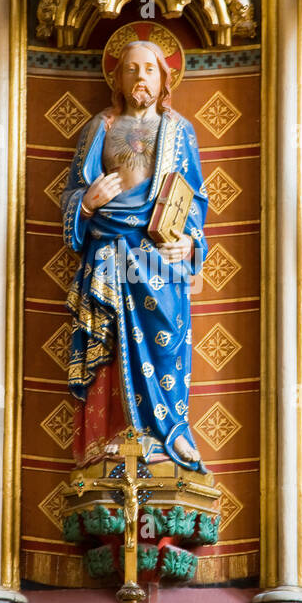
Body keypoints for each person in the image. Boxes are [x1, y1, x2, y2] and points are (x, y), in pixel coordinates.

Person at [60, 35, 209, 470]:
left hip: (157, 253)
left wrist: (191, 243)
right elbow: (71, 192)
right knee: (109, 342)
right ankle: (112, 438)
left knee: (164, 342)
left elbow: (194, 198)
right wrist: (86, 204)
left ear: (164, 78)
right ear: (118, 79)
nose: (139, 77)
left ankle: (170, 432)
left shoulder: (179, 131)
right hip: (108, 246)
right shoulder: (98, 128)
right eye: (131, 69)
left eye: (148, 69)